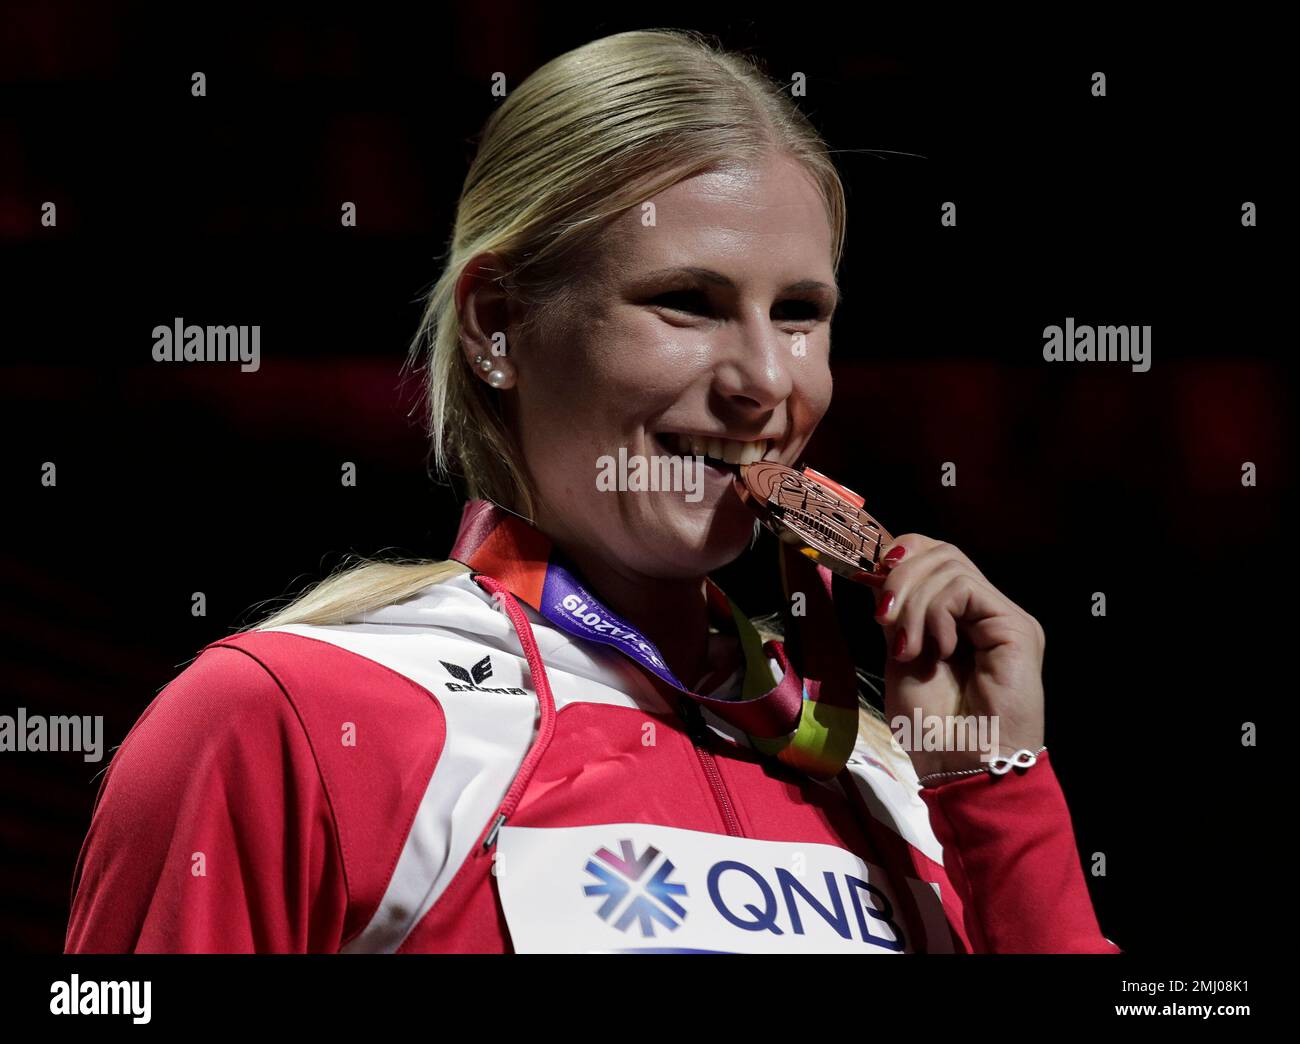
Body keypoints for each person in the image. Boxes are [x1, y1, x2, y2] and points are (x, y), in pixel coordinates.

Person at [65, 28, 1119, 954]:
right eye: (685, 302)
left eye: (799, 312)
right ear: (497, 327)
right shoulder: (284, 718)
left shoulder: (896, 785)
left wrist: (990, 786)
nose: (764, 382)